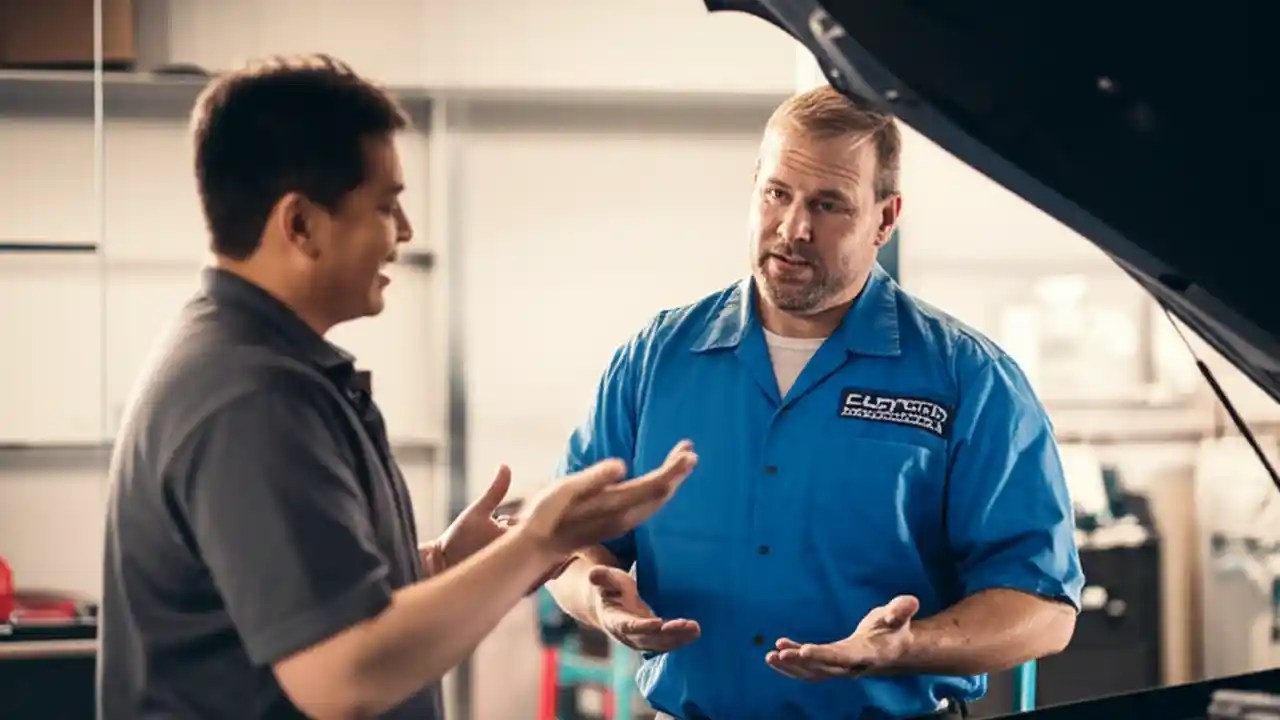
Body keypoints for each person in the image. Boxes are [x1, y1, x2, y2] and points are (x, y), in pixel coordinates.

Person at [97, 55, 697, 720]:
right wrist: (540, 543)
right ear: (300, 225)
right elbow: (346, 678)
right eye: (386, 207)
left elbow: (300, 604)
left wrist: (438, 564)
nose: (405, 233)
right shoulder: (251, 396)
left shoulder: (253, 364)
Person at [545, 84, 1084, 720]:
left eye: (829, 205)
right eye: (778, 193)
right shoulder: (654, 361)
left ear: (885, 218)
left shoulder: (970, 378)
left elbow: (1043, 612)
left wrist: (908, 647)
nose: (794, 228)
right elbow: (565, 545)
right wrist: (594, 597)